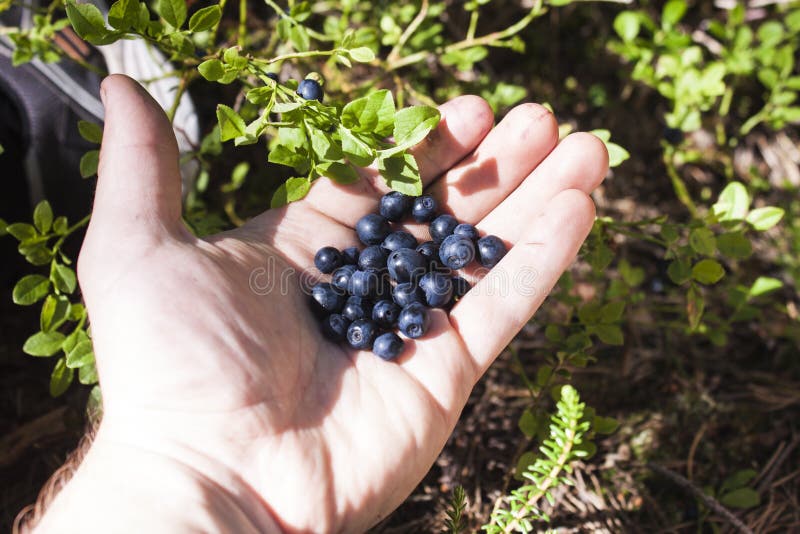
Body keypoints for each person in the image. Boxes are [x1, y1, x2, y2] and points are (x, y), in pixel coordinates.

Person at [29, 74, 608, 532]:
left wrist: (179, 462)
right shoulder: (364, 282)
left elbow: (395, 285)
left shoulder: (404, 268)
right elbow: (378, 290)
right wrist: (181, 454)